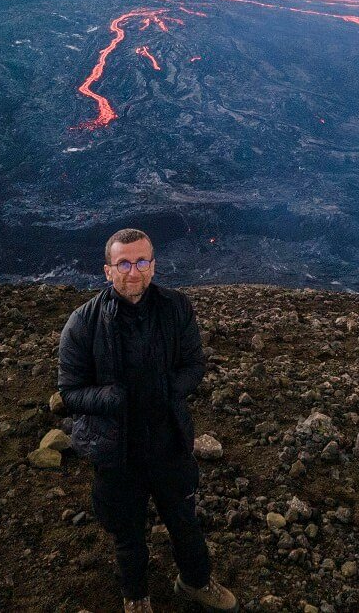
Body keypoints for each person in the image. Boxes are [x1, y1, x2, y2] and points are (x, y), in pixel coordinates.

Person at [57, 228, 237, 612]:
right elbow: (69, 392)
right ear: (108, 271)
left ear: (153, 266)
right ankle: (136, 597)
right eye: (123, 263)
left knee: (184, 520)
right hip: (115, 449)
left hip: (168, 439)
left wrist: (168, 387)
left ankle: (195, 582)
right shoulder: (83, 323)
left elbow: (195, 365)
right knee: (127, 532)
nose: (133, 272)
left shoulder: (176, 309)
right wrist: (111, 398)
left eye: (141, 261)